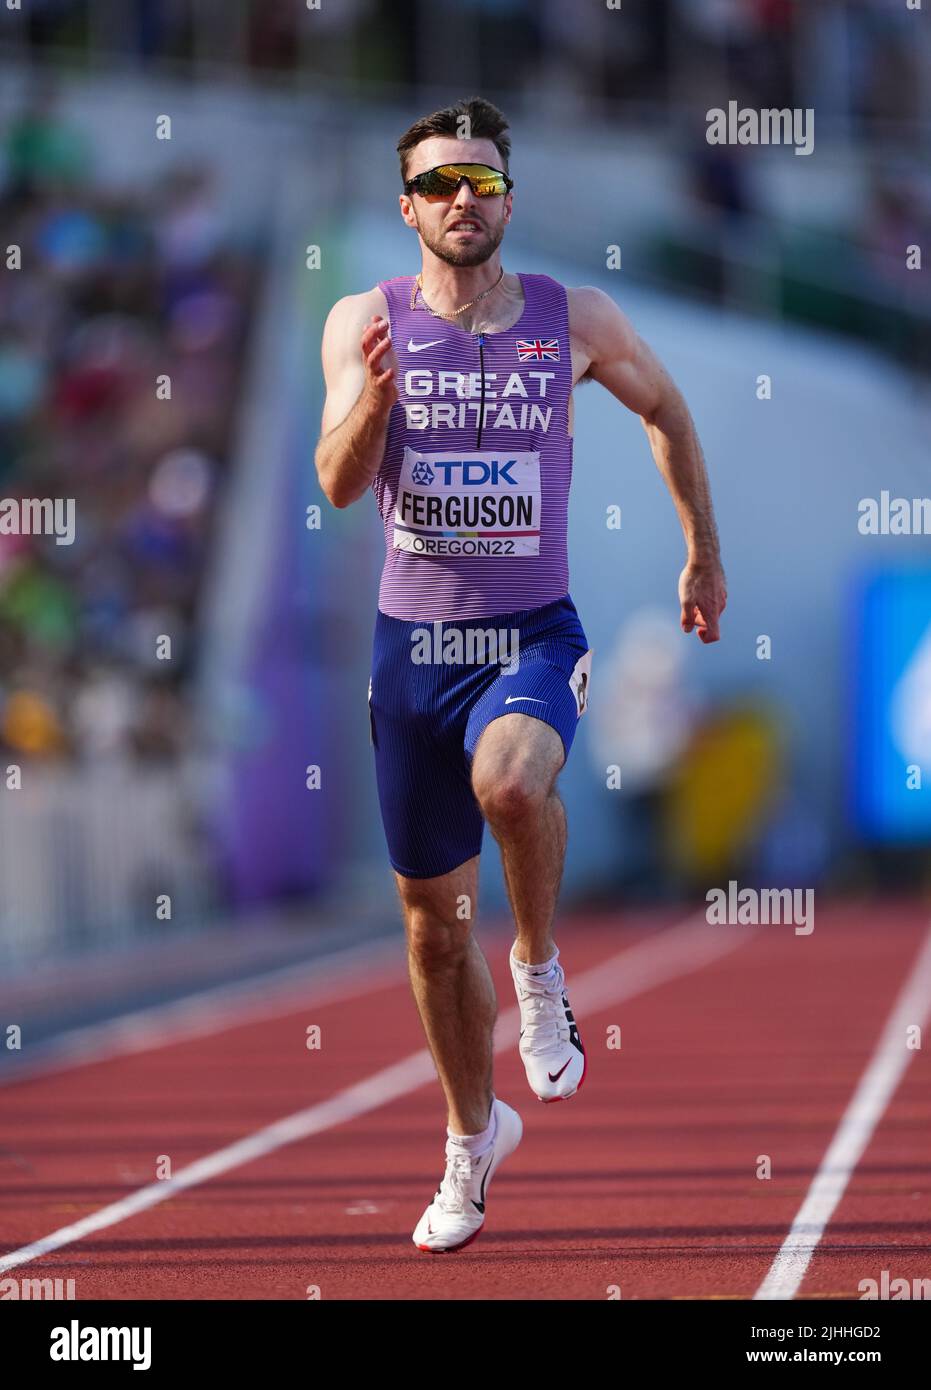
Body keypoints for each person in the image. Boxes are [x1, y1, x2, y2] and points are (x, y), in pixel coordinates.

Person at [315, 97, 726, 1253]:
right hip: (413, 654)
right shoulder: (364, 321)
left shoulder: (572, 317)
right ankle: (470, 1138)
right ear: (408, 208)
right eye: (441, 184)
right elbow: (338, 480)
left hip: (531, 632)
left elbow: (669, 410)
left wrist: (701, 546)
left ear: (507, 200)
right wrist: (381, 401)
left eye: (483, 183)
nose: (463, 200)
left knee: (511, 783)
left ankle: (540, 969)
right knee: (433, 933)